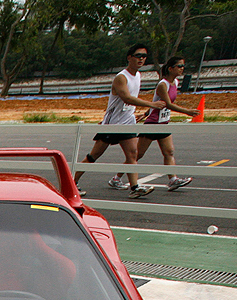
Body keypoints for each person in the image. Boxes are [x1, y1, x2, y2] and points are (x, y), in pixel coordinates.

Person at [74, 44, 163, 198]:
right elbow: (126, 97)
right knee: (94, 155)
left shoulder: (138, 76)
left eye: (144, 56)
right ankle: (72, 183)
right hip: (113, 123)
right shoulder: (121, 77)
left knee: (132, 154)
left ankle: (134, 187)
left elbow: (129, 103)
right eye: (138, 56)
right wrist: (152, 104)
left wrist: (137, 114)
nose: (141, 59)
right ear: (129, 57)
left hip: (127, 122)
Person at [137, 56, 197, 190]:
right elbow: (167, 104)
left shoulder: (175, 82)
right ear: (170, 68)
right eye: (179, 66)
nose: (182, 69)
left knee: (169, 152)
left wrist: (145, 113)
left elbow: (159, 103)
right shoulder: (162, 84)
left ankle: (173, 180)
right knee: (137, 155)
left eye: (183, 66)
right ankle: (117, 177)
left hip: (163, 122)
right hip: (153, 124)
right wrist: (187, 112)